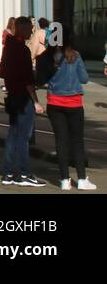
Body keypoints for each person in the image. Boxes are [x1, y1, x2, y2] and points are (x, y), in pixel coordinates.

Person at [36, 39, 95, 190]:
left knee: (61, 141)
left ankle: (64, 180)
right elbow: (84, 79)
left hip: (54, 103)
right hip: (74, 103)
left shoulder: (46, 57)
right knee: (77, 142)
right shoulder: (75, 55)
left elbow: (40, 80)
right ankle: (82, 179)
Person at [0, 16, 46, 187]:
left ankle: (9, 172)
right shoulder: (22, 50)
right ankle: (24, 173)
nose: (32, 32)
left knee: (13, 134)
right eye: (30, 29)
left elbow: (2, 70)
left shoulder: (8, 47)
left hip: (12, 95)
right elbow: (27, 80)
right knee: (23, 137)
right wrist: (36, 101)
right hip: (23, 97)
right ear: (23, 29)